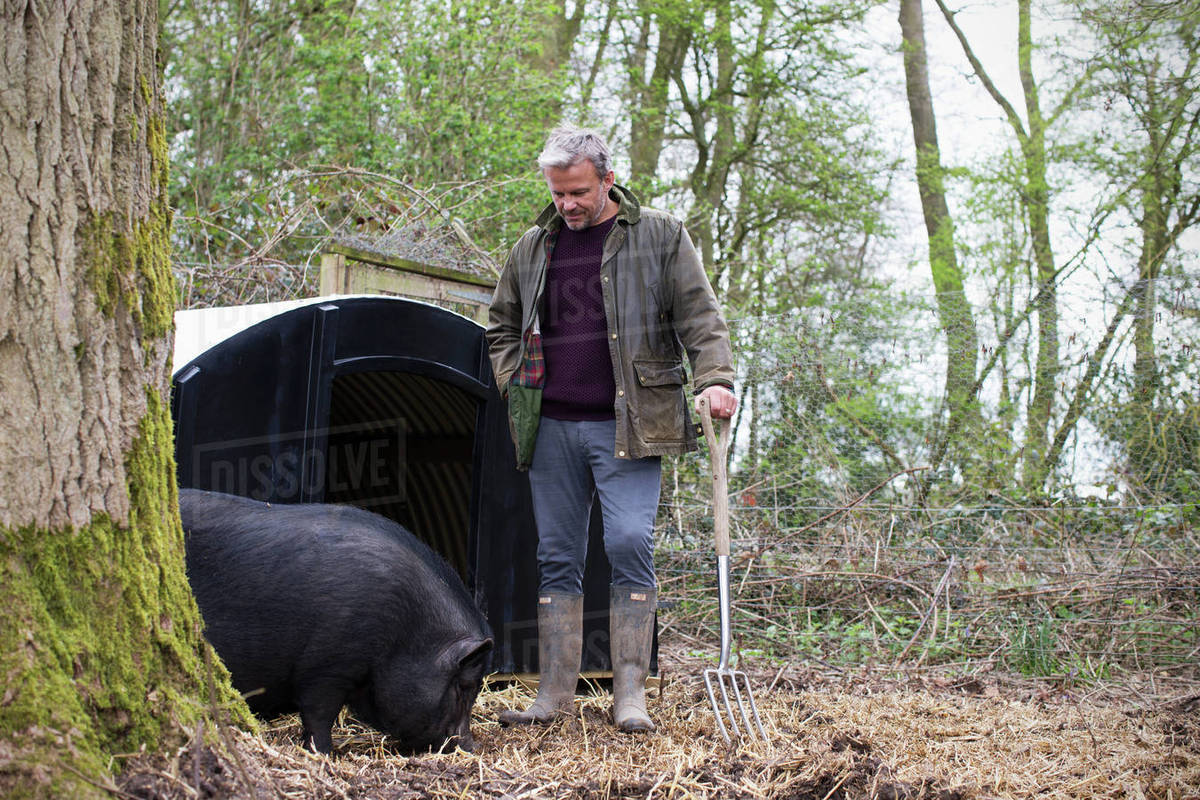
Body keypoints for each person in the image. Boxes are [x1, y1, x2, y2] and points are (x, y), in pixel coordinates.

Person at [486, 124, 737, 733]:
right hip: (551, 428)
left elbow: (701, 319)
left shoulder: (659, 238)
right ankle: (552, 695)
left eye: (577, 192)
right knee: (556, 558)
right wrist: (516, 382)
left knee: (628, 544)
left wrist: (714, 379)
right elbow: (500, 326)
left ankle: (630, 694)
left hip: (629, 424)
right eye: (557, 193)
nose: (566, 205)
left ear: (607, 179)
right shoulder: (533, 247)